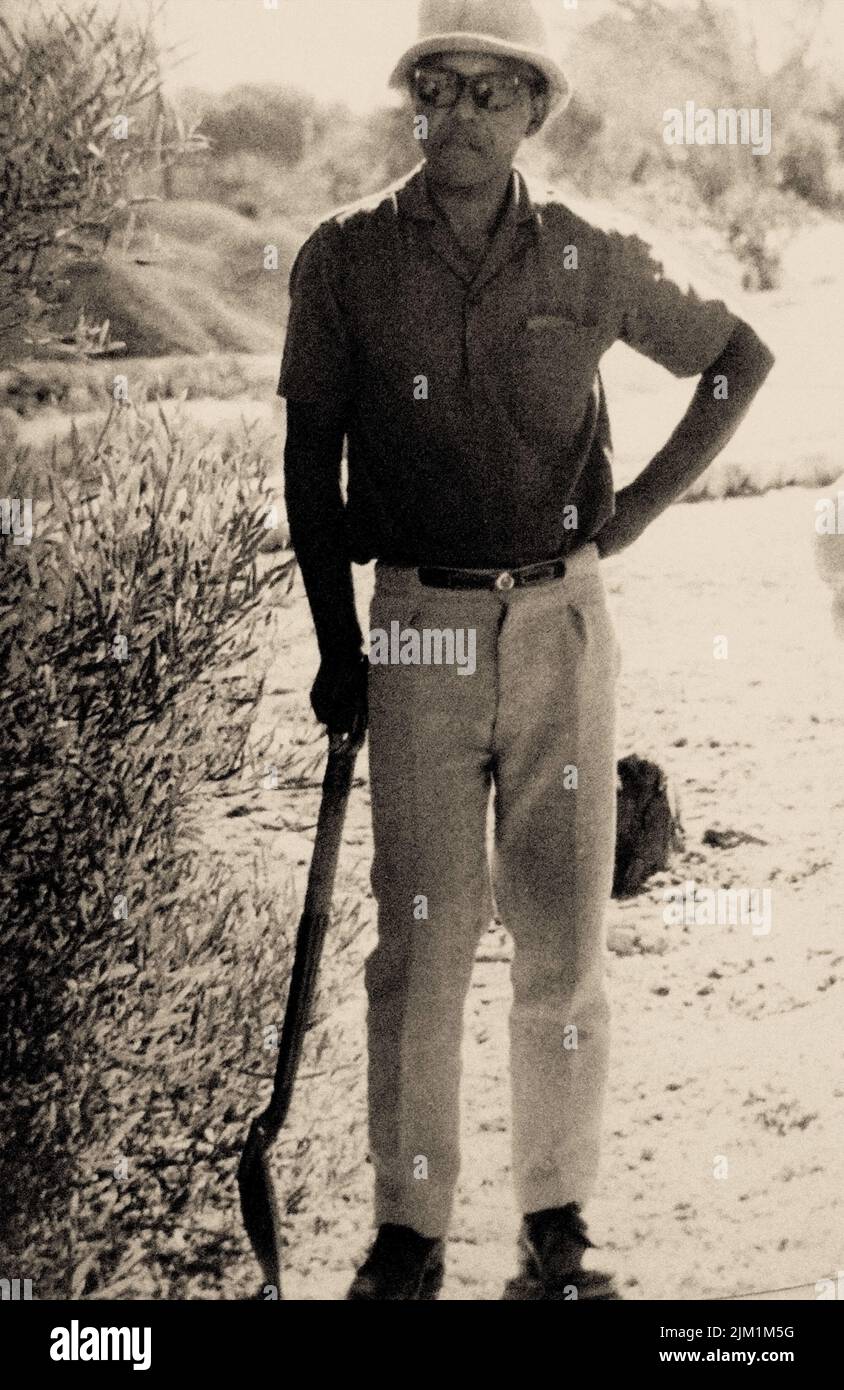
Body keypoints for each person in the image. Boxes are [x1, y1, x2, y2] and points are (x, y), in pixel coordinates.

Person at [278, 0, 775, 1300]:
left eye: (494, 90)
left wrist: (633, 519)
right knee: (419, 943)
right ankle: (409, 1237)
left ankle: (556, 1236)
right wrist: (340, 645)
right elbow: (307, 460)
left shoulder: (590, 257)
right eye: (439, 84)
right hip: (419, 627)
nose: (463, 111)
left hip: (562, 620)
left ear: (538, 110)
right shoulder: (343, 260)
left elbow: (735, 356)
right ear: (414, 100)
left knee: (560, 939)